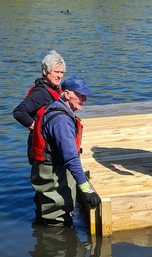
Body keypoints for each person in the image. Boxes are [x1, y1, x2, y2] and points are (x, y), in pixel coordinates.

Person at [30, 75, 101, 226]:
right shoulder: (61, 121)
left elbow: (65, 151)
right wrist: (86, 189)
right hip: (52, 177)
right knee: (57, 223)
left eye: (86, 95)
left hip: (49, 172)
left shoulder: (56, 108)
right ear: (67, 94)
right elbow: (70, 157)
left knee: (45, 212)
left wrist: (80, 171)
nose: (85, 99)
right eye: (80, 95)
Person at [13, 50, 66, 130]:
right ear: (45, 71)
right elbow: (19, 112)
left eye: (61, 72)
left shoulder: (56, 89)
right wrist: (36, 127)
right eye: (56, 72)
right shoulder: (40, 93)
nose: (59, 76)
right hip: (44, 140)